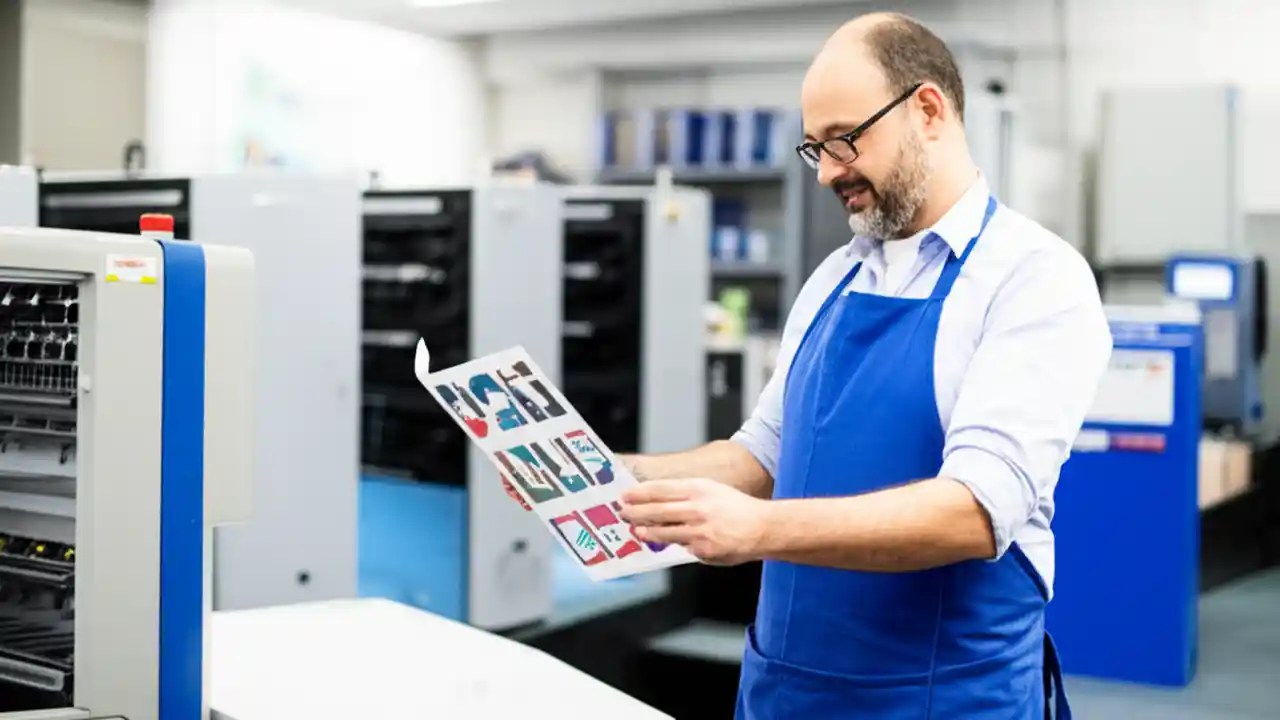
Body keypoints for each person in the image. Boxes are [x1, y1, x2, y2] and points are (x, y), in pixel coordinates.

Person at [503, 11, 1109, 719]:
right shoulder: (835, 279)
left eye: (844, 140)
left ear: (928, 111)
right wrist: (620, 474)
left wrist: (755, 531)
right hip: (785, 691)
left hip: (939, 701)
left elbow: (975, 511)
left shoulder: (1032, 278)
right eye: (813, 148)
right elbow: (763, 454)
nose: (827, 172)